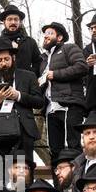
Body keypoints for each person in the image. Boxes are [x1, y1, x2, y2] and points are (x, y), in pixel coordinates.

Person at [0, 38, 47, 160]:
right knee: (2, 171)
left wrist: (19, 96)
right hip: (0, 131)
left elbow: (39, 102)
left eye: (6, 59)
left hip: (24, 130)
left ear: (13, 58)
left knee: (24, 171)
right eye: (0, 60)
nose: (3, 63)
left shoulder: (29, 76)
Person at [39, 21, 88, 162]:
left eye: (50, 33)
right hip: (50, 108)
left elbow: (82, 66)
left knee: (72, 146)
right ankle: (58, 182)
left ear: (59, 37)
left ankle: (76, 182)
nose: (46, 37)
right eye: (45, 34)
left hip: (69, 104)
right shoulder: (43, 59)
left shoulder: (69, 48)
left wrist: (56, 74)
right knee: (54, 150)